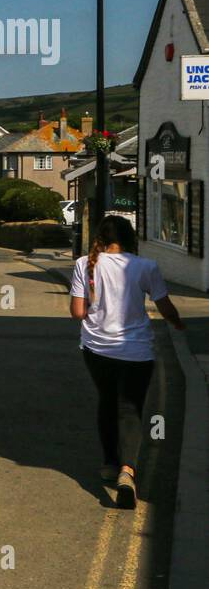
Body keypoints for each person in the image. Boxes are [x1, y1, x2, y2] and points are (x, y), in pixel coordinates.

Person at [69, 214, 183, 509]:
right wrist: (178, 323)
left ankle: (109, 462)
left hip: (96, 349)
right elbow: (165, 306)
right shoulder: (146, 267)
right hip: (137, 352)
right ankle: (127, 471)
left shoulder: (85, 264)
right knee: (130, 409)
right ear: (130, 238)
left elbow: (78, 313)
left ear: (100, 238)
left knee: (107, 401)